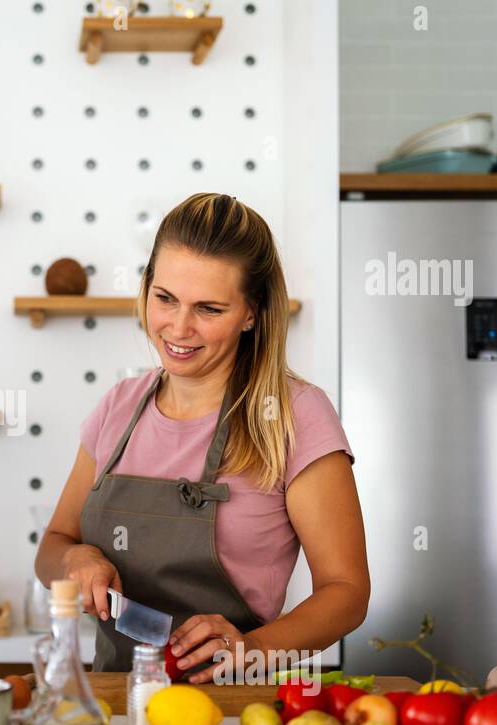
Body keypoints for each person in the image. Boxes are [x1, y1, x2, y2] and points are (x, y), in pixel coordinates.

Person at [34, 192, 369, 681]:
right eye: (164, 298)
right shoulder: (119, 407)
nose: (179, 327)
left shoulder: (296, 416)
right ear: (146, 285)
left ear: (251, 314)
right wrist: (76, 559)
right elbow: (53, 547)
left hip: (229, 710)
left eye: (209, 309)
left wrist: (252, 647)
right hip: (114, 705)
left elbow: (346, 592)